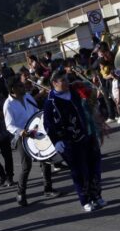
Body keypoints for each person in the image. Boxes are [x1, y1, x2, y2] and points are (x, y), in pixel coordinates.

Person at [42, 72, 104, 212]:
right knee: (80, 172)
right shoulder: (50, 102)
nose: (67, 82)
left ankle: (96, 195)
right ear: (55, 83)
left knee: (95, 168)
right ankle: (85, 200)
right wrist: (56, 141)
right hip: (70, 142)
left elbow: (88, 105)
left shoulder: (74, 93)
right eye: (63, 80)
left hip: (87, 136)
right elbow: (48, 124)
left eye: (66, 79)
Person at [3, 77, 58, 207]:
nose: (23, 87)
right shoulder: (8, 104)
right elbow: (9, 125)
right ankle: (20, 194)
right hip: (22, 137)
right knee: (26, 166)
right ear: (13, 89)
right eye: (20, 86)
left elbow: (36, 112)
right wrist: (22, 132)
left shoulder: (28, 97)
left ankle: (48, 189)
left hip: (35, 132)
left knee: (45, 159)